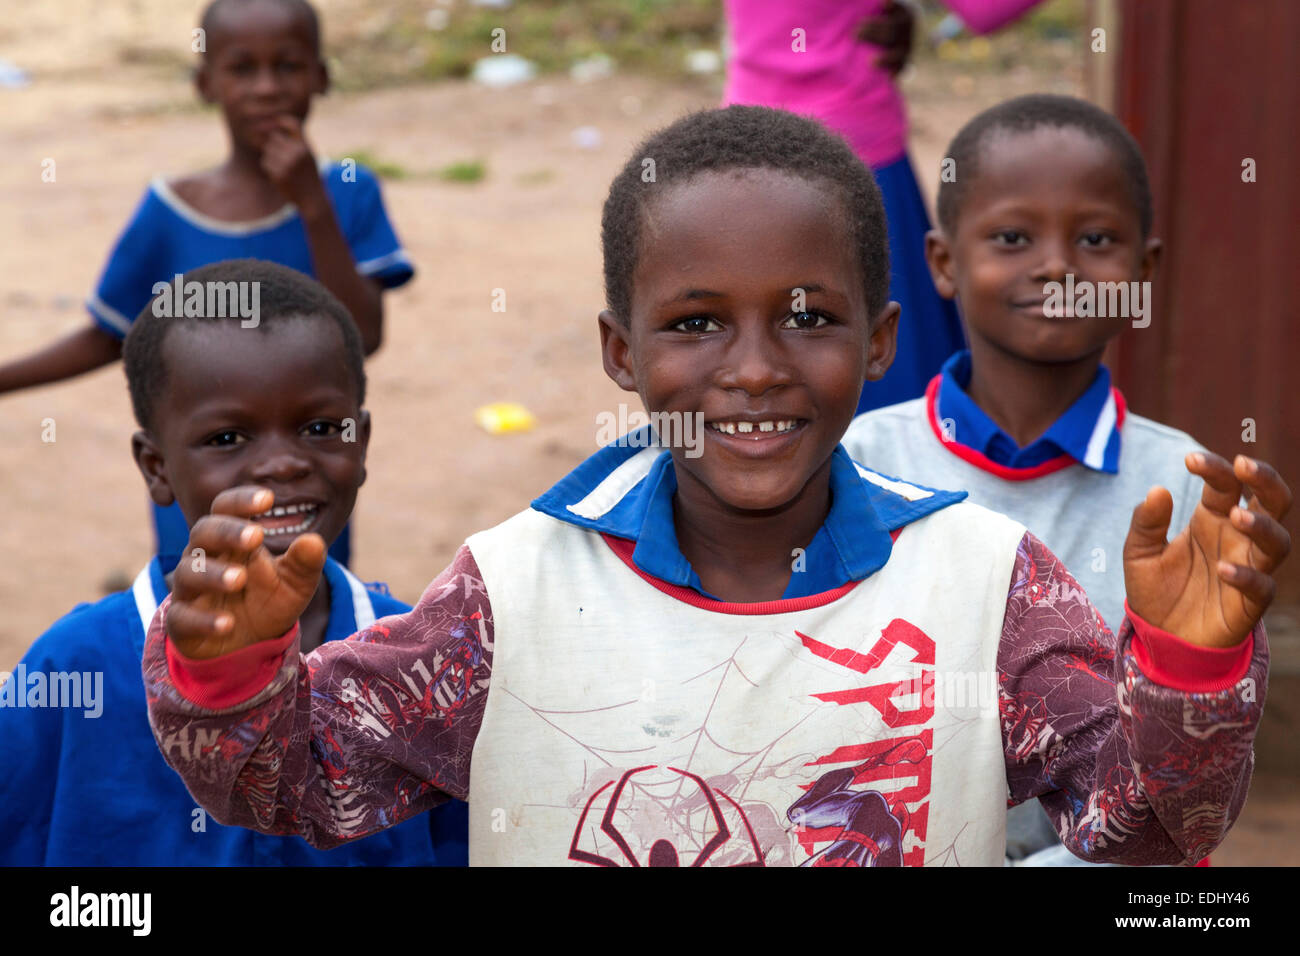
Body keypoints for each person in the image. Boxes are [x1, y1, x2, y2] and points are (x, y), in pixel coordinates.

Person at [143, 108, 1288, 867]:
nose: (751, 366)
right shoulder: (510, 593)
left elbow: (1144, 823)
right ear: (620, 353)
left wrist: (1186, 667)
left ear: (880, 339)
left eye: (808, 318)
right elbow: (298, 781)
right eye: (695, 323)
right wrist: (229, 668)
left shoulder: (985, 585)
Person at [839, 94, 1210, 864]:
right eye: (1012, 236)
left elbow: (1193, 769)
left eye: (1097, 238)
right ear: (942, 262)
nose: (1055, 264)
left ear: (1143, 271)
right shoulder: (857, 463)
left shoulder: (1185, 487)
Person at [0, 260, 466, 866]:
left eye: (321, 428)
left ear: (362, 442)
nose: (281, 465)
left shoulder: (417, 663)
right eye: (227, 439)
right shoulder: (73, 667)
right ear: (156, 467)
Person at [0, 0, 413, 570]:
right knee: (196, 620)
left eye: (288, 66)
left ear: (321, 77)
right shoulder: (169, 212)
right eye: (242, 69)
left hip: (306, 488)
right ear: (205, 83)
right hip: (203, 492)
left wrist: (313, 206)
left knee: (310, 617)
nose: (266, 88)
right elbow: (107, 335)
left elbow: (363, 336)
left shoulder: (347, 192)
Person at [722, 0, 1046, 415]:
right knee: (897, 388)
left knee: (761, 370)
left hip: (746, 149)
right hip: (860, 159)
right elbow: (985, 10)